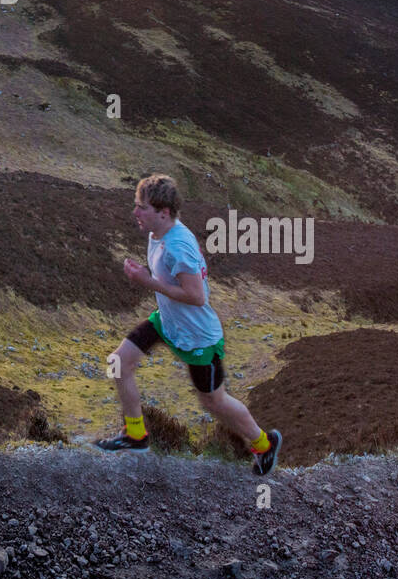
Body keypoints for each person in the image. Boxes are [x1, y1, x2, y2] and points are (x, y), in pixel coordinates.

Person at [95, 173, 282, 475]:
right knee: (118, 363)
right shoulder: (157, 233)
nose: (135, 212)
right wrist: (148, 276)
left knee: (214, 402)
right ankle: (135, 436)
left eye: (141, 206)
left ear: (163, 212)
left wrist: (148, 281)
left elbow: (196, 297)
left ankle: (263, 444)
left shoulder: (178, 245)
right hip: (168, 324)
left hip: (198, 338)